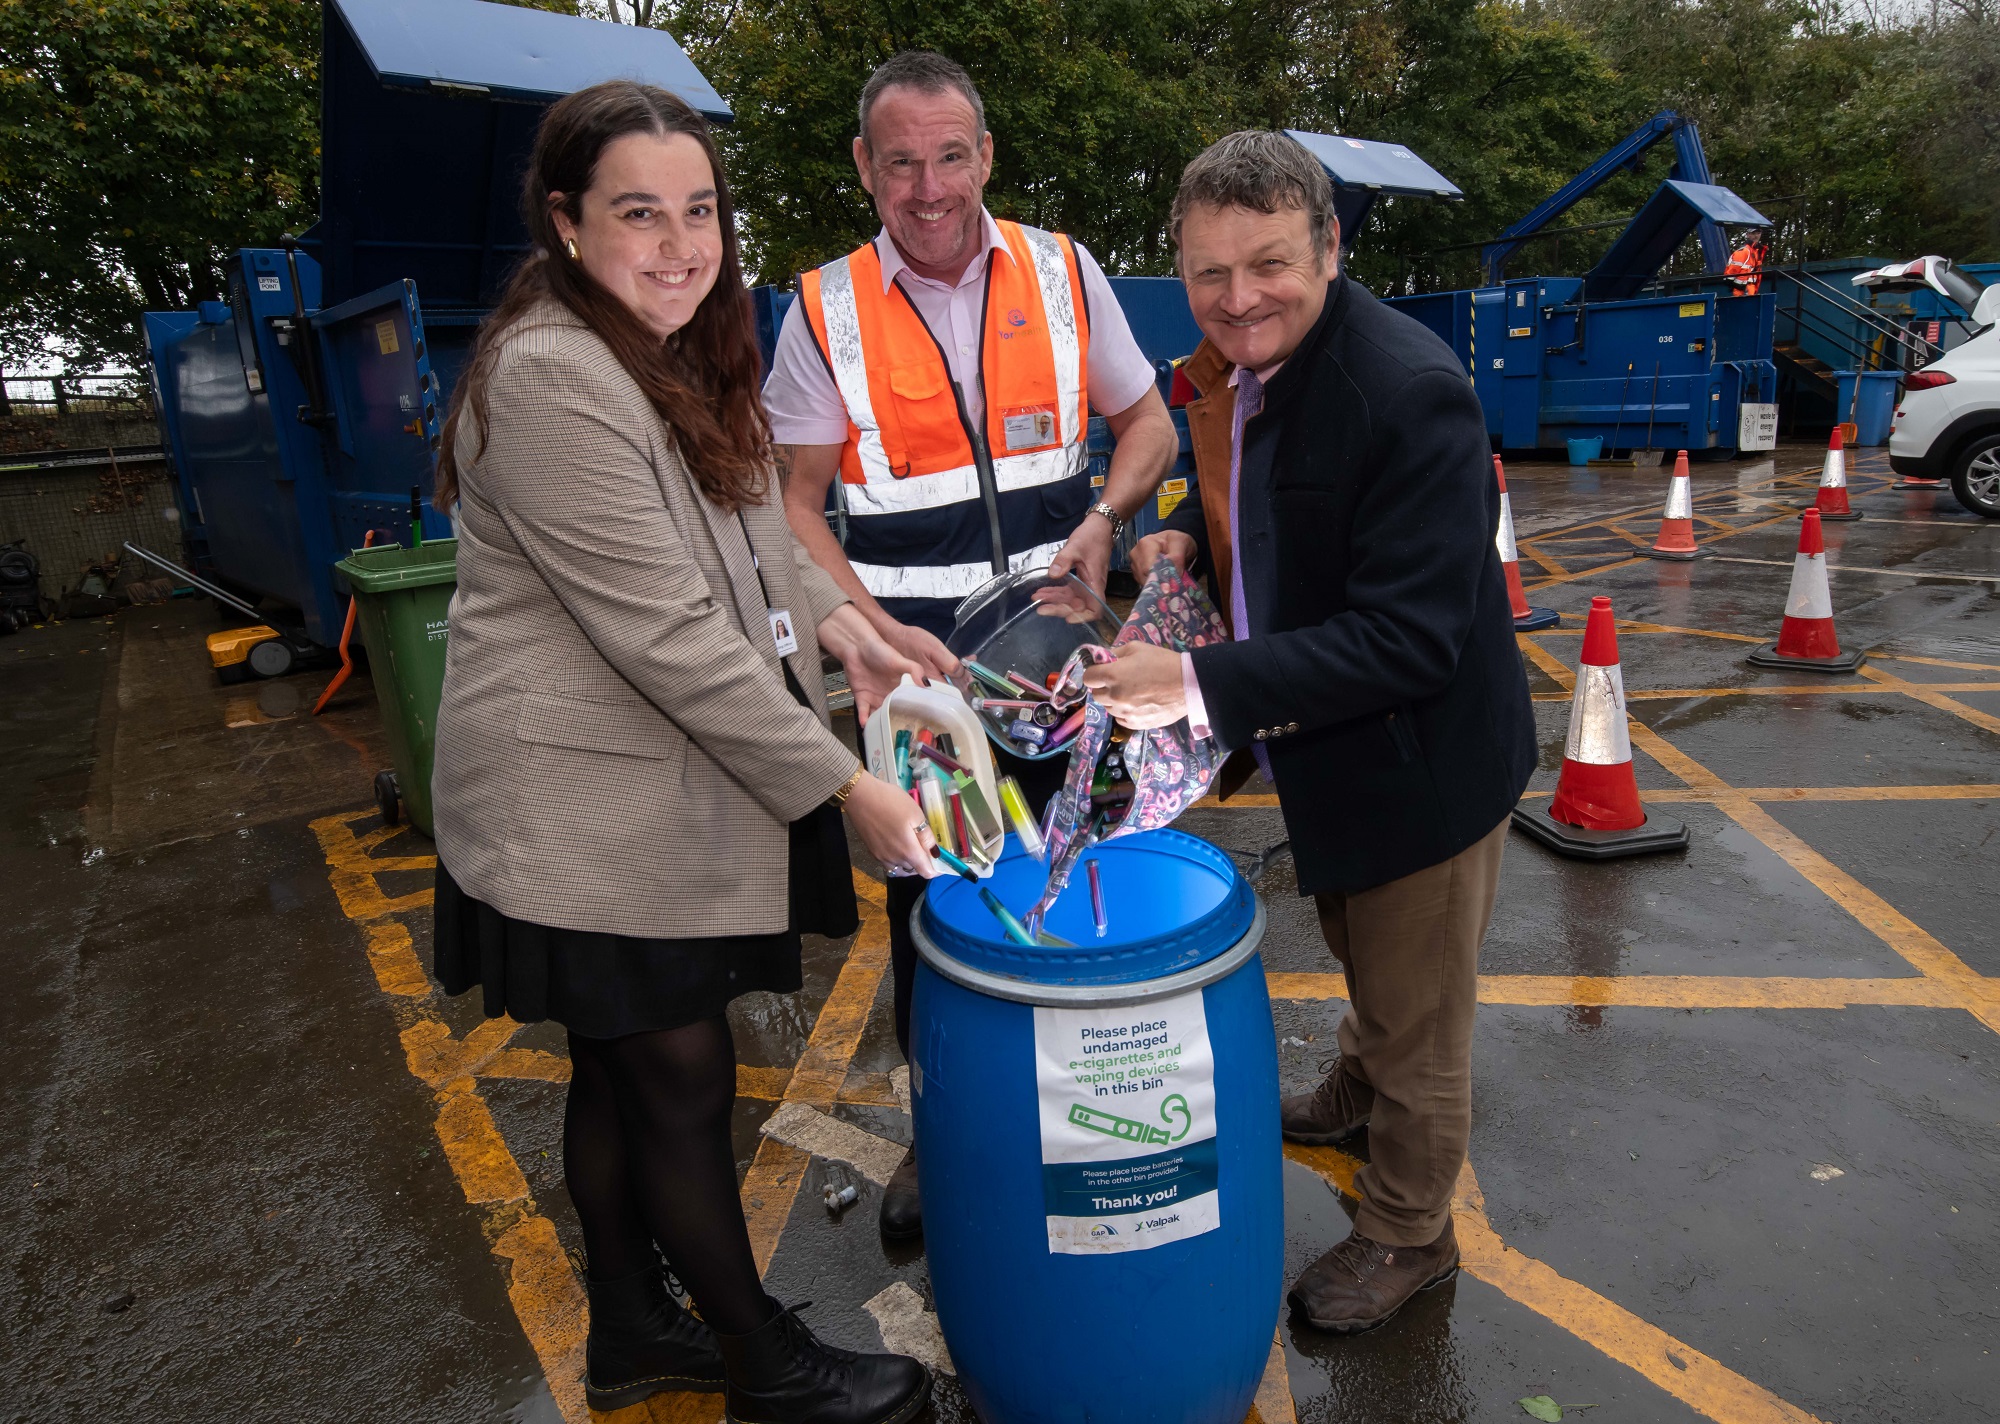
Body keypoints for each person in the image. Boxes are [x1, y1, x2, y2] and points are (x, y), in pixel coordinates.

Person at [428, 81, 935, 1424]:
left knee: (621, 1064)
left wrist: (855, 632)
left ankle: (637, 1326)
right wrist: (845, 788)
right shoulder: (552, 377)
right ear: (565, 222)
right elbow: (669, 635)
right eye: (637, 212)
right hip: (574, 815)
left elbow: (757, 529)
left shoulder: (677, 342)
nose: (677, 243)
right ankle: (762, 1361)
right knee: (677, 1075)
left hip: (637, 793)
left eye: (698, 209)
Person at [1084, 130, 1536, 1335]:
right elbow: (1257, 498)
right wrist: (1183, 532)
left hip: (1418, 767)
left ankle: (1407, 1229)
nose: (1238, 301)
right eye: (1208, 274)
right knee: (1357, 947)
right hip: (1323, 746)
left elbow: (1408, 640)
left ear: (1329, 247)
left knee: (1419, 1013)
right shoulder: (1246, 366)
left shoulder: (1407, 391)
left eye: (1268, 264)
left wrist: (1190, 679)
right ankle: (1353, 1080)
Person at [763, 49, 1179, 1241]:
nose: (928, 186)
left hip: (1059, 669)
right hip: (919, 693)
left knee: (1076, 875)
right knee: (929, 915)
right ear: (865, 167)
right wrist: (862, 628)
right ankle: (939, 1135)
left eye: (951, 156)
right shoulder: (821, 305)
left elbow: (1144, 419)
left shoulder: (1060, 270)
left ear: (985, 155)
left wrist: (1104, 520)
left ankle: (1080, 1114)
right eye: (901, 162)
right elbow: (793, 500)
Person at [1725, 227, 1769, 296]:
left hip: (1749, 288)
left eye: (1758, 233)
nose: (1756, 236)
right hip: (1742, 290)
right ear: (1748, 235)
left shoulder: (1757, 251)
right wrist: (1735, 285)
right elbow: (1732, 271)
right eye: (1753, 233)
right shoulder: (1744, 250)